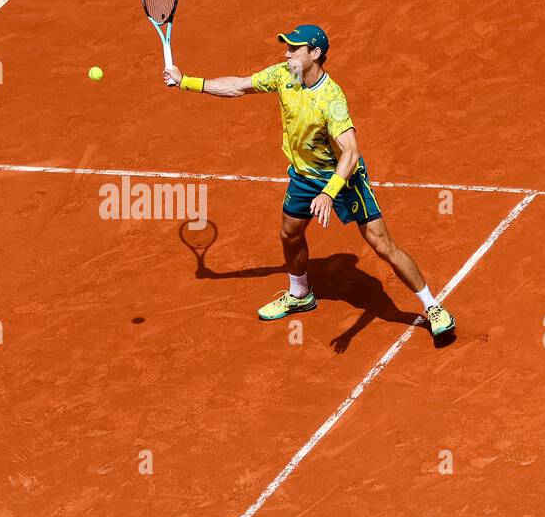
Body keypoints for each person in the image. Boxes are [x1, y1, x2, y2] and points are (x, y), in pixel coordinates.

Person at [163, 24, 454, 336]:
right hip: (304, 176)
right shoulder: (282, 76)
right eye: (287, 48)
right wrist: (185, 82)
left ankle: (433, 307)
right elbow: (238, 86)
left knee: (381, 244)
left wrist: (329, 193)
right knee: (289, 233)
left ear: (315, 54)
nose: (286, 54)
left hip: (343, 180)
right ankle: (300, 294)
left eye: (294, 49)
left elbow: (351, 152)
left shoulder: (332, 100)